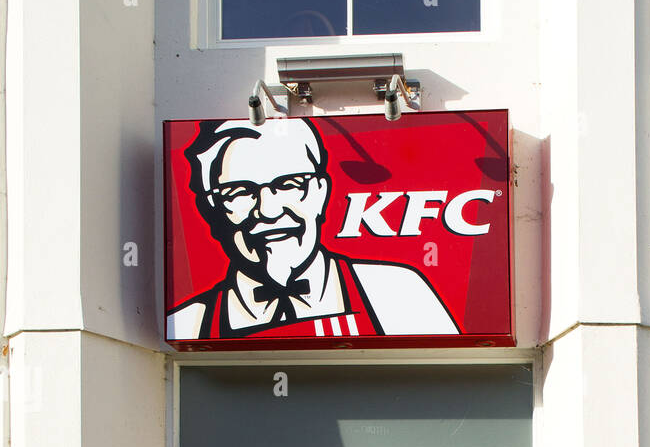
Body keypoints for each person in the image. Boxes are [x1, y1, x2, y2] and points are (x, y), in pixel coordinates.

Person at [167, 117, 462, 341]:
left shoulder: (394, 292)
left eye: (289, 185)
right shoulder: (189, 323)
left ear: (321, 193)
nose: (268, 211)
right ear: (211, 209)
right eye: (239, 192)